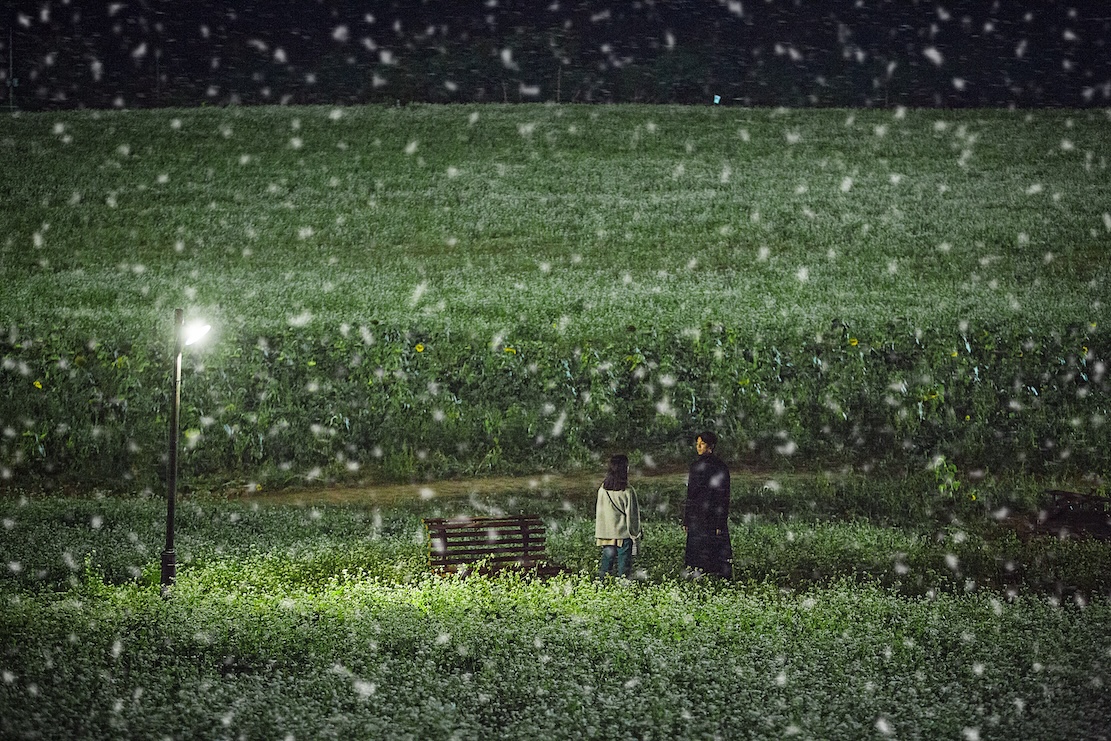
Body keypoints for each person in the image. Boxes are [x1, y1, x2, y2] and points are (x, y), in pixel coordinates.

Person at [682, 431, 732, 578]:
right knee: (701, 551)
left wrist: (720, 522)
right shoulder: (696, 466)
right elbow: (691, 494)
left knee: (711, 550)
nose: (698, 446)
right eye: (697, 443)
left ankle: (711, 579)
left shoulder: (720, 467)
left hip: (711, 514)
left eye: (702, 443)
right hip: (698, 515)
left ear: (710, 446)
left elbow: (723, 496)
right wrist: (687, 519)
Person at [595, 454, 642, 579]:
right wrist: (636, 536)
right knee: (624, 570)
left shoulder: (602, 490)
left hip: (606, 534)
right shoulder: (628, 491)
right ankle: (623, 591)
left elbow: (600, 513)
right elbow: (633, 517)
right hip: (623, 535)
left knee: (605, 568)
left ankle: (602, 588)